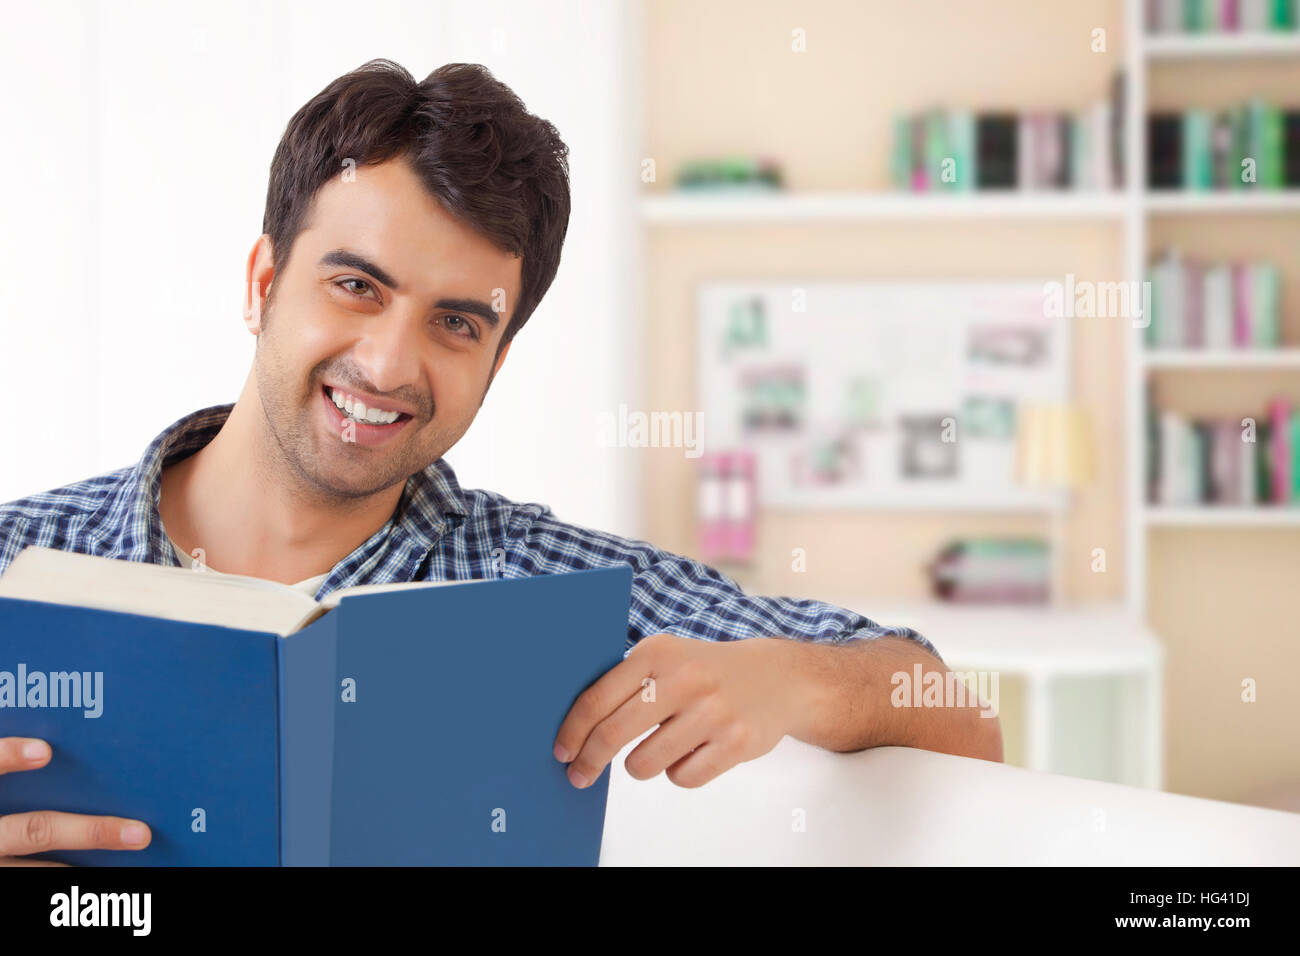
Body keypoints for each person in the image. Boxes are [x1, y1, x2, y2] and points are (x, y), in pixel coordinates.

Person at [0, 59, 1001, 864]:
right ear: (264, 282)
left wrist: (792, 680)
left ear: (498, 356)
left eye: (454, 322)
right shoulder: (20, 556)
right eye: (354, 284)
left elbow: (957, 716)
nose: (389, 363)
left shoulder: (553, 591)